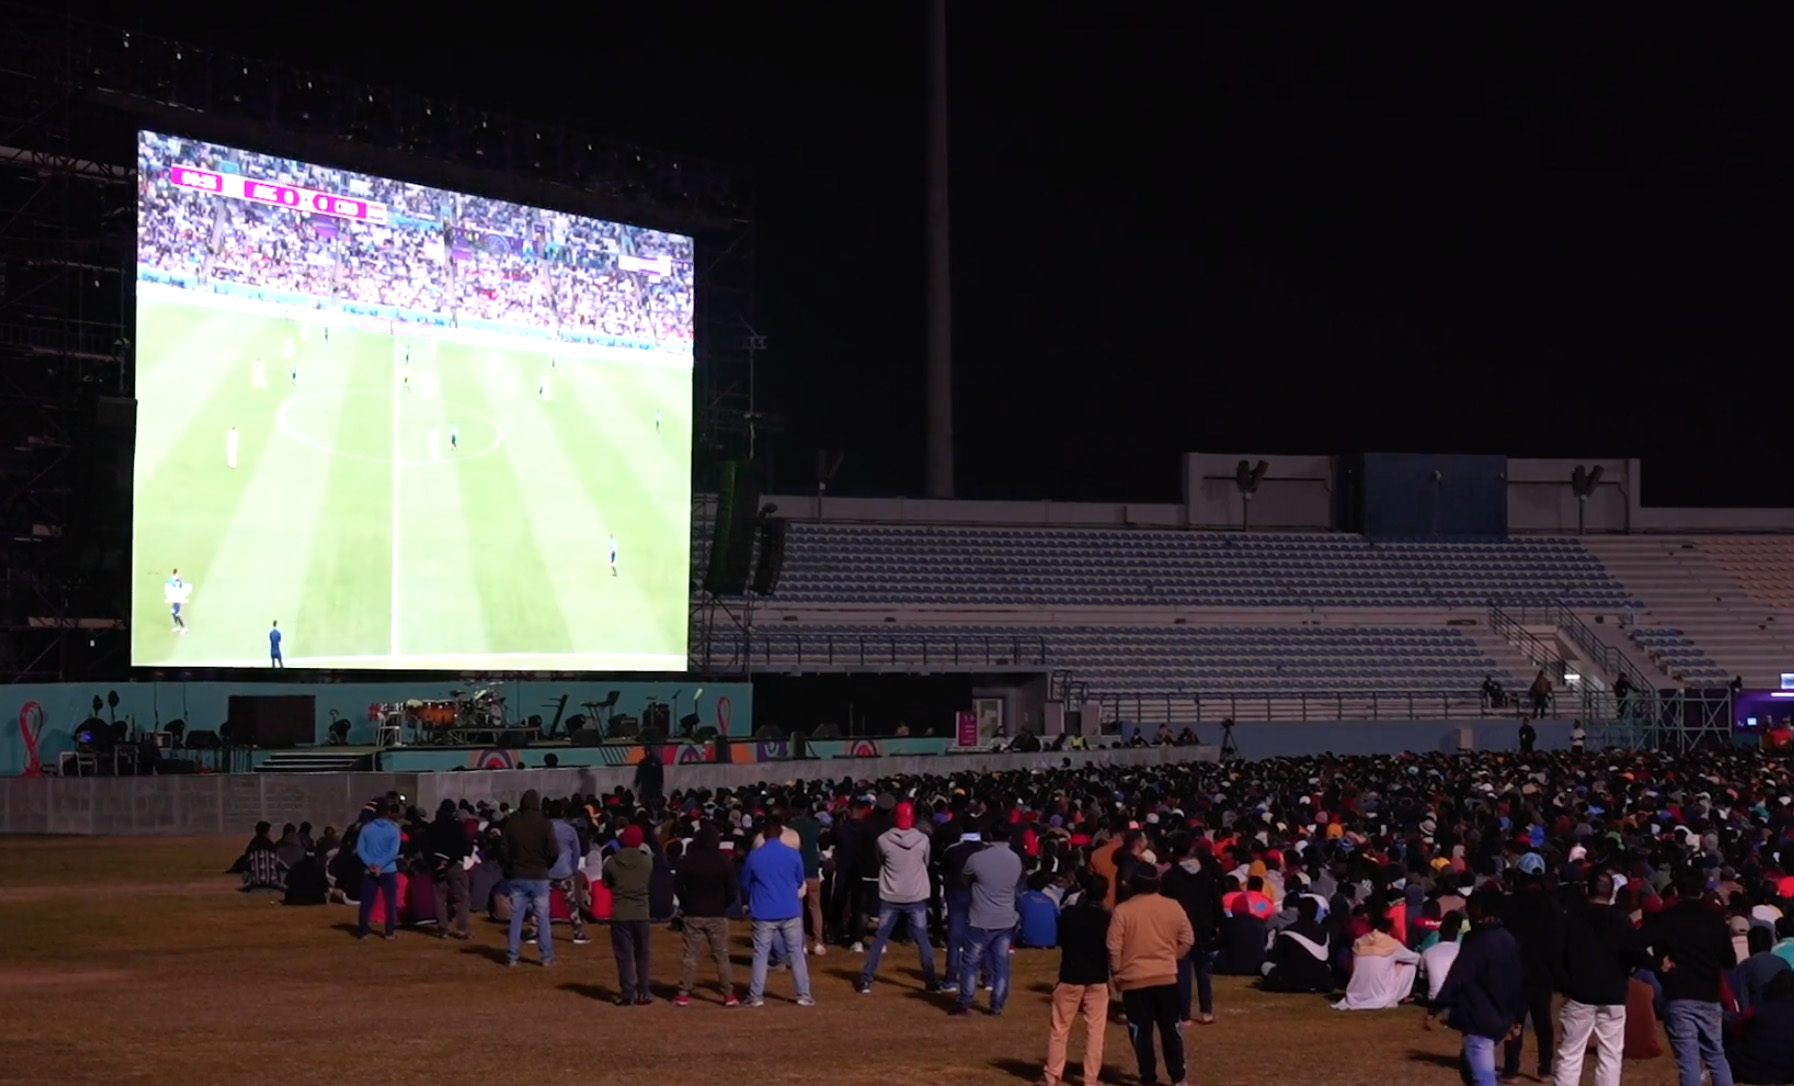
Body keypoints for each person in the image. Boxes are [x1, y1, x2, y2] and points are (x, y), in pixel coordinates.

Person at [1426, 889, 1527, 1086]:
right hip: (1502, 1016)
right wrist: (1517, 1017)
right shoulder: (1509, 939)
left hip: (1479, 1016)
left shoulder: (1476, 940)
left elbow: (1458, 976)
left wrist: (1436, 1007)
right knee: (1468, 1065)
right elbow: (1518, 981)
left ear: (1479, 910)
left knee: (1482, 1077)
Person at [1646, 871, 1738, 1086]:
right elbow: (1729, 961)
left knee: (1688, 1060)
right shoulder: (1715, 921)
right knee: (1716, 1055)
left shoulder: (1666, 918)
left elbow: (1636, 943)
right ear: (1702, 892)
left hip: (1679, 994)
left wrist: (1657, 963)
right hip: (1709, 995)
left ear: (1676, 891)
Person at [1107, 865, 1194, 1086]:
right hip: (1165, 976)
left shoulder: (1123, 911)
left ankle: (1148, 1077)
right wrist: (1171, 958)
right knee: (1170, 1030)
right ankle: (1178, 1077)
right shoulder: (1172, 907)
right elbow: (1187, 939)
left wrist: (1118, 970)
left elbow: (1113, 946)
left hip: (1134, 979)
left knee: (1140, 1032)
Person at [1552, 871, 1641, 1086]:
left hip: (1579, 993)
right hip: (1613, 994)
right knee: (1611, 1055)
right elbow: (1635, 953)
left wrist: (1566, 983)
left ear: (1586, 890)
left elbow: (1554, 954)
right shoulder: (1622, 920)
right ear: (1612, 893)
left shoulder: (1570, 917)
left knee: (1570, 1053)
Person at [1038, 873, 1112, 1086]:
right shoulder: (1107, 919)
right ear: (1105, 894)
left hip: (1070, 976)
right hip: (1097, 979)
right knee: (1095, 1032)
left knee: (1060, 1028)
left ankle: (1051, 1075)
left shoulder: (1069, 915)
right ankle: (1091, 1078)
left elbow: (1061, 939)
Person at [858, 799, 938, 994]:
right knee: (923, 941)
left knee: (879, 939)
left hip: (891, 895)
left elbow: (880, 860)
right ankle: (931, 981)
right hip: (916, 895)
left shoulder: (883, 840)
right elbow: (925, 862)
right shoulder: (923, 839)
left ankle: (866, 978)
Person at [739, 814, 814, 1007]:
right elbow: (799, 880)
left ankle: (756, 996)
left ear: (763, 835)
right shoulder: (792, 854)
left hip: (763, 911)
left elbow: (745, 883)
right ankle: (804, 994)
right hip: (789, 909)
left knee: (761, 954)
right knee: (796, 953)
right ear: (781, 833)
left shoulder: (755, 856)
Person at [1503, 853, 1565, 1083]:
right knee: (1543, 1021)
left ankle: (1511, 1069)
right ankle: (1545, 1068)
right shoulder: (1552, 906)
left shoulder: (1508, 904)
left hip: (1515, 969)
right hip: (1542, 970)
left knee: (1515, 1021)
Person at [953, 820, 1024, 1016]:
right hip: (1005, 918)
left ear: (990, 836)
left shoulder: (976, 858)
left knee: (970, 962)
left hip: (980, 917)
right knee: (1001, 964)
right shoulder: (1015, 859)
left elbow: (964, 879)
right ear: (1009, 838)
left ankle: (965, 1001)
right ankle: (997, 1005)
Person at [672, 825, 738, 1006]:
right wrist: (722, 905)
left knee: (690, 955)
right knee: (721, 956)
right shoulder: (724, 862)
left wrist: (686, 903)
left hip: (693, 912)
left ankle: (683, 993)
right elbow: (732, 891)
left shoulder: (687, 861)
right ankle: (728, 995)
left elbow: (677, 887)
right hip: (717, 913)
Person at [500, 788, 559, 968]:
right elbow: (554, 851)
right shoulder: (544, 824)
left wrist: (510, 867)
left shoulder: (512, 823)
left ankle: (512, 957)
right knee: (542, 918)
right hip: (539, 875)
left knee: (516, 918)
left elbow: (503, 850)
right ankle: (546, 957)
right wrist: (546, 864)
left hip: (518, 874)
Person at [603, 824, 655, 1004]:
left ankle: (627, 993)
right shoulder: (647, 861)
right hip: (641, 912)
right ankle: (644, 991)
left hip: (621, 913)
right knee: (643, 954)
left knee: (624, 955)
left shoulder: (611, 862)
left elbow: (607, 883)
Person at [425, 799, 472, 940]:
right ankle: (462, 928)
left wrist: (436, 862)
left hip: (437, 864)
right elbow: (464, 847)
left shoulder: (433, 827)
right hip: (454, 865)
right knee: (462, 897)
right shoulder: (457, 827)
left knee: (440, 897)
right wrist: (450, 860)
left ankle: (443, 928)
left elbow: (426, 846)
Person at [354, 802, 401, 940]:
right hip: (388, 869)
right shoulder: (393, 830)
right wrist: (380, 865)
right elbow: (393, 852)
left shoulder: (366, 829)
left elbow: (361, 849)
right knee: (390, 902)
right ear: (388, 813)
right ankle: (390, 931)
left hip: (369, 870)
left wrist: (371, 864)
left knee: (367, 901)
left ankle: (363, 931)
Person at [546, 801, 590, 947]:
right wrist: (573, 868)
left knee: (540, 903)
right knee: (571, 905)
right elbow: (576, 851)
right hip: (565, 871)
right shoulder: (569, 830)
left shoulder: (545, 828)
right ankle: (577, 933)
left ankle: (533, 931)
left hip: (546, 871)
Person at [787, 798, 826, 955]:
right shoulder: (815, 826)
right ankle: (818, 942)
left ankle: (801, 943)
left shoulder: (790, 827)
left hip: (795, 872)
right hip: (812, 871)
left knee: (798, 910)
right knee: (815, 908)